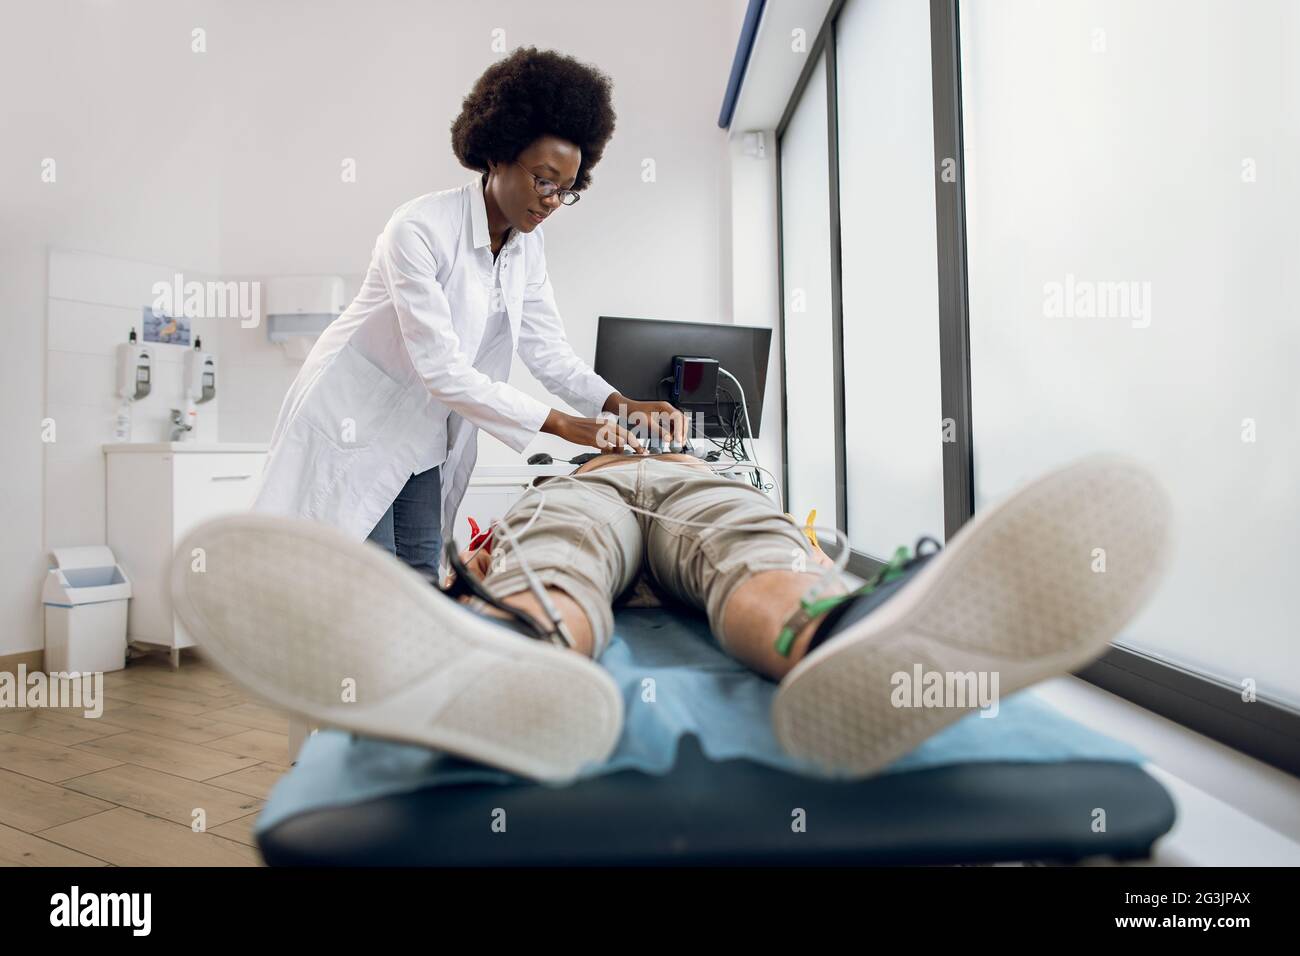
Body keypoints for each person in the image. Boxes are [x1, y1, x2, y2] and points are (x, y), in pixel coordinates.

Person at [174, 453, 1170, 783]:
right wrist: (602, 438)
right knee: (598, 540)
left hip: (683, 493)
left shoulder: (697, 459)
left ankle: (526, 641)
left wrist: (664, 450)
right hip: (599, 488)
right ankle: (507, 650)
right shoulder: (587, 454)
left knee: (740, 541)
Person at [252, 47, 686, 583]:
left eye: (566, 191)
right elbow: (443, 370)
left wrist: (618, 404)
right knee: (371, 583)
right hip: (355, 424)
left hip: (425, 438)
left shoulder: (527, 248)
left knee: (420, 580)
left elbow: (547, 351)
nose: (552, 201)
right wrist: (568, 426)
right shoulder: (418, 230)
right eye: (544, 180)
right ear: (499, 155)